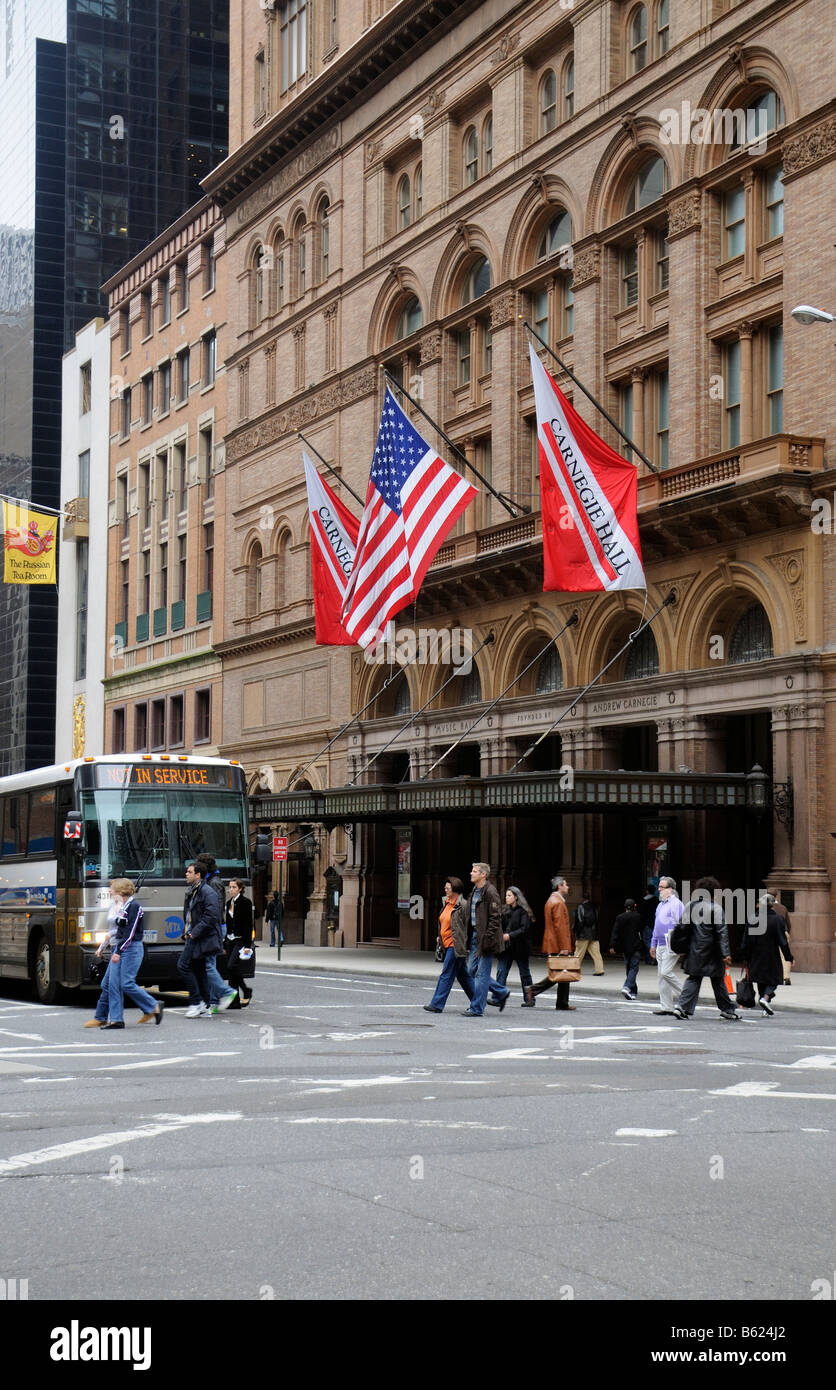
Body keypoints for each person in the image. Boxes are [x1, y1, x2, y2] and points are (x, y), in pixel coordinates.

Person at [84, 878, 163, 1029]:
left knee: (123, 983)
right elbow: (116, 931)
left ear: (121, 891)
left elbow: (130, 933)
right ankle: (107, 1018)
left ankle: (142, 1009)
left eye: (112, 889)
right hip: (120, 947)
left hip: (130, 948)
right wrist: (104, 946)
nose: (109, 891)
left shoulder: (133, 907)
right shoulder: (121, 906)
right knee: (109, 984)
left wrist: (118, 951)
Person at [673, 876, 740, 1021]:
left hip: (695, 949)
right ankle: (727, 1009)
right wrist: (726, 954)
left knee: (694, 978)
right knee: (718, 980)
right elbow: (721, 933)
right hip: (713, 952)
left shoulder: (690, 906)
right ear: (713, 893)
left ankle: (682, 1007)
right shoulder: (716, 909)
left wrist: (680, 946)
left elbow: (682, 927)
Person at [179, 862, 234, 1017]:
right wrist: (187, 930)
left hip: (200, 937)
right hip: (194, 935)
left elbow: (211, 916)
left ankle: (196, 1002)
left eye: (189, 872)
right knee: (200, 969)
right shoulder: (193, 891)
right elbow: (191, 914)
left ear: (198, 875)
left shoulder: (207, 891)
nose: (186, 874)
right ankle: (205, 1004)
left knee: (183, 965)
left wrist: (194, 933)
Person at [461, 862, 509, 1017]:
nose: (471, 873)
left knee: (481, 974)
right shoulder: (474, 891)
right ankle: (501, 991)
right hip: (476, 936)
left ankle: (477, 1008)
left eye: (474, 871)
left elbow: (496, 918)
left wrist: (487, 938)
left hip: (486, 938)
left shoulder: (490, 892)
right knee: (472, 970)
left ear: (483, 874)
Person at [193, 853, 238, 1013]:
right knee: (208, 965)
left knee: (208, 965)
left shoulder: (214, 883)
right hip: (212, 927)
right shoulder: (210, 881)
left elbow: (216, 910)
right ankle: (212, 1002)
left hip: (213, 928)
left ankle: (223, 994)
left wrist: (205, 928)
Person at [424, 877, 475, 1013]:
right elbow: (445, 923)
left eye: (448, 888)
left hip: (456, 945)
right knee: (463, 976)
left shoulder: (463, 905)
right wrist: (440, 936)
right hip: (446, 944)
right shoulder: (446, 903)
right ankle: (478, 1001)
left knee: (446, 974)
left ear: (455, 889)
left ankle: (437, 1004)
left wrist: (468, 944)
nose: (445, 889)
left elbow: (469, 926)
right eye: (445, 887)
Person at [526, 875, 575, 1010]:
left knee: (564, 974)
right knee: (559, 974)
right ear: (559, 886)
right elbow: (560, 926)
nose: (568, 887)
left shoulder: (551, 900)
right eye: (565, 885)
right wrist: (565, 947)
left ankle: (562, 1003)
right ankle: (533, 989)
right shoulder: (558, 902)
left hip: (553, 942)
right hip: (558, 944)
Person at [742, 898, 794, 1016]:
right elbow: (783, 941)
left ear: (759, 906)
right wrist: (789, 957)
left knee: (761, 981)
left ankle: (765, 1007)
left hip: (756, 955)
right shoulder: (777, 919)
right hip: (771, 955)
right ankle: (765, 999)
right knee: (774, 980)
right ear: (771, 906)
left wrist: (745, 956)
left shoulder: (753, 919)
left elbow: (746, 939)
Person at [493, 887, 535, 1005]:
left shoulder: (523, 911)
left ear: (516, 897)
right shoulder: (505, 911)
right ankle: (498, 998)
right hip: (506, 948)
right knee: (501, 971)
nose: (507, 898)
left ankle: (530, 999)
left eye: (509, 895)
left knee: (524, 973)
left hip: (520, 947)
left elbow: (524, 929)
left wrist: (509, 935)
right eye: (506, 895)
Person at [649, 876, 684, 1016]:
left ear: (670, 889)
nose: (659, 889)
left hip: (671, 943)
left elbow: (682, 925)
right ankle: (667, 1006)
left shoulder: (676, 904)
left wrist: (681, 944)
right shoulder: (660, 905)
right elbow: (656, 926)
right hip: (660, 944)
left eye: (661, 887)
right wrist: (653, 944)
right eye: (659, 887)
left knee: (665, 972)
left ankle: (687, 995)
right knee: (661, 976)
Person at [224, 878, 255, 1008]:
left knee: (231, 966)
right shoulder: (228, 903)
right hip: (230, 940)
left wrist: (248, 945)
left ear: (240, 889)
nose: (231, 890)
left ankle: (246, 990)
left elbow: (249, 924)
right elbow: (228, 923)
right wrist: (225, 942)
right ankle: (235, 1001)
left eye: (234, 887)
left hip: (241, 939)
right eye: (230, 887)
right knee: (231, 972)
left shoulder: (245, 902)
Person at [609, 898, 643, 999]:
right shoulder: (638, 917)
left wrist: (612, 945)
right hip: (636, 945)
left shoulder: (620, 917)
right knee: (634, 968)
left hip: (625, 947)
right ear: (634, 907)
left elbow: (615, 932)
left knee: (629, 968)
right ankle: (628, 987)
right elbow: (641, 929)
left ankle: (633, 992)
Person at [572, 896, 604, 975]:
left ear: (582, 899)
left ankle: (574, 969)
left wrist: (577, 932)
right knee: (596, 953)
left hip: (583, 935)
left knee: (578, 953)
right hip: (593, 935)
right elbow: (597, 921)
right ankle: (600, 970)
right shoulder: (595, 907)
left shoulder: (580, 907)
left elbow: (580, 921)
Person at [639, 882, 659, 963]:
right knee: (653, 940)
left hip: (647, 924)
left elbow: (641, 914)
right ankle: (649, 959)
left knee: (647, 940)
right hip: (655, 923)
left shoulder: (644, 901)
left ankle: (654, 955)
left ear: (647, 891)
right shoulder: (657, 900)